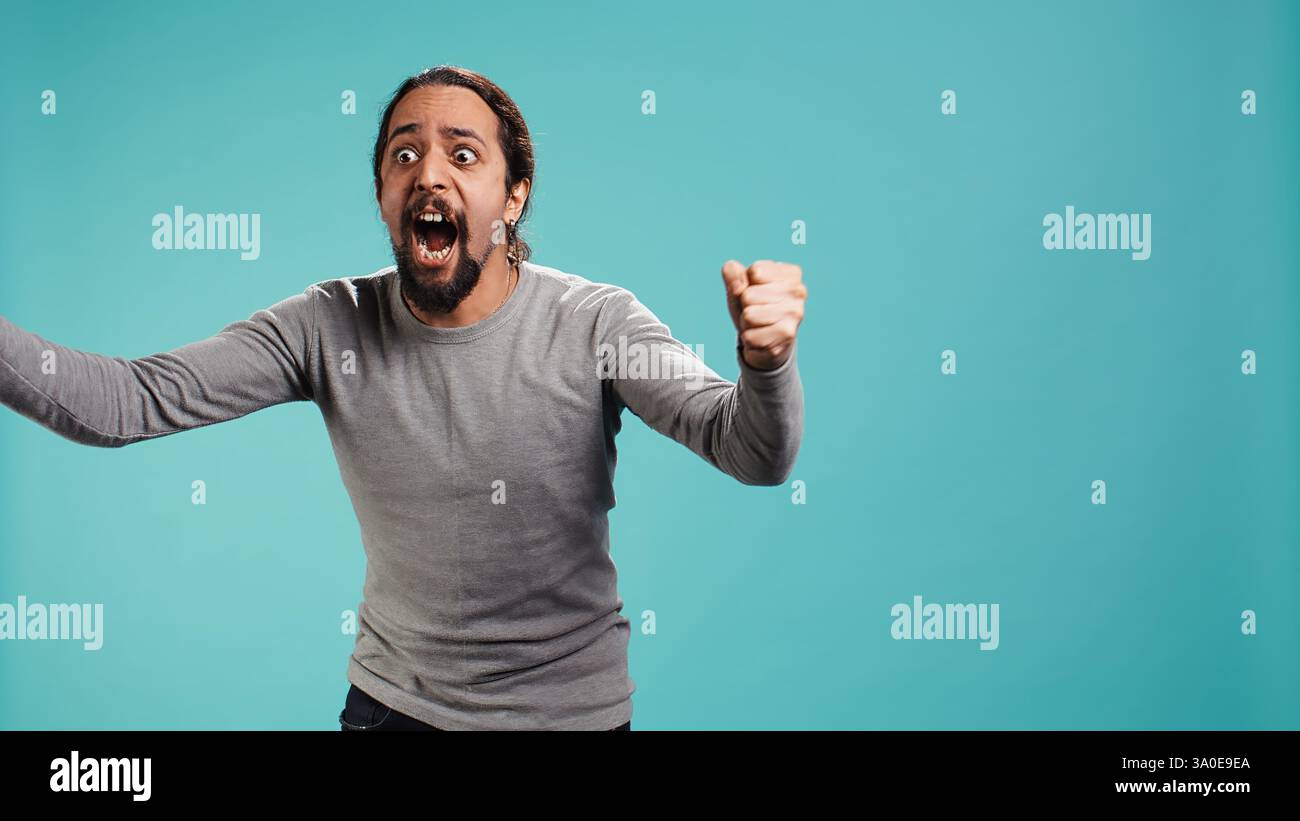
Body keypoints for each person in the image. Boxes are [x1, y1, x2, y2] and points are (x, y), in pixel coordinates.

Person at [0, 65, 807, 731]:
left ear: (513, 196)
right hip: (390, 710)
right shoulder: (327, 323)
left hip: (568, 718)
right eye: (403, 155)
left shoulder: (595, 322)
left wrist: (764, 364)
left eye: (463, 155)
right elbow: (124, 401)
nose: (428, 172)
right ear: (384, 196)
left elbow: (751, 451)